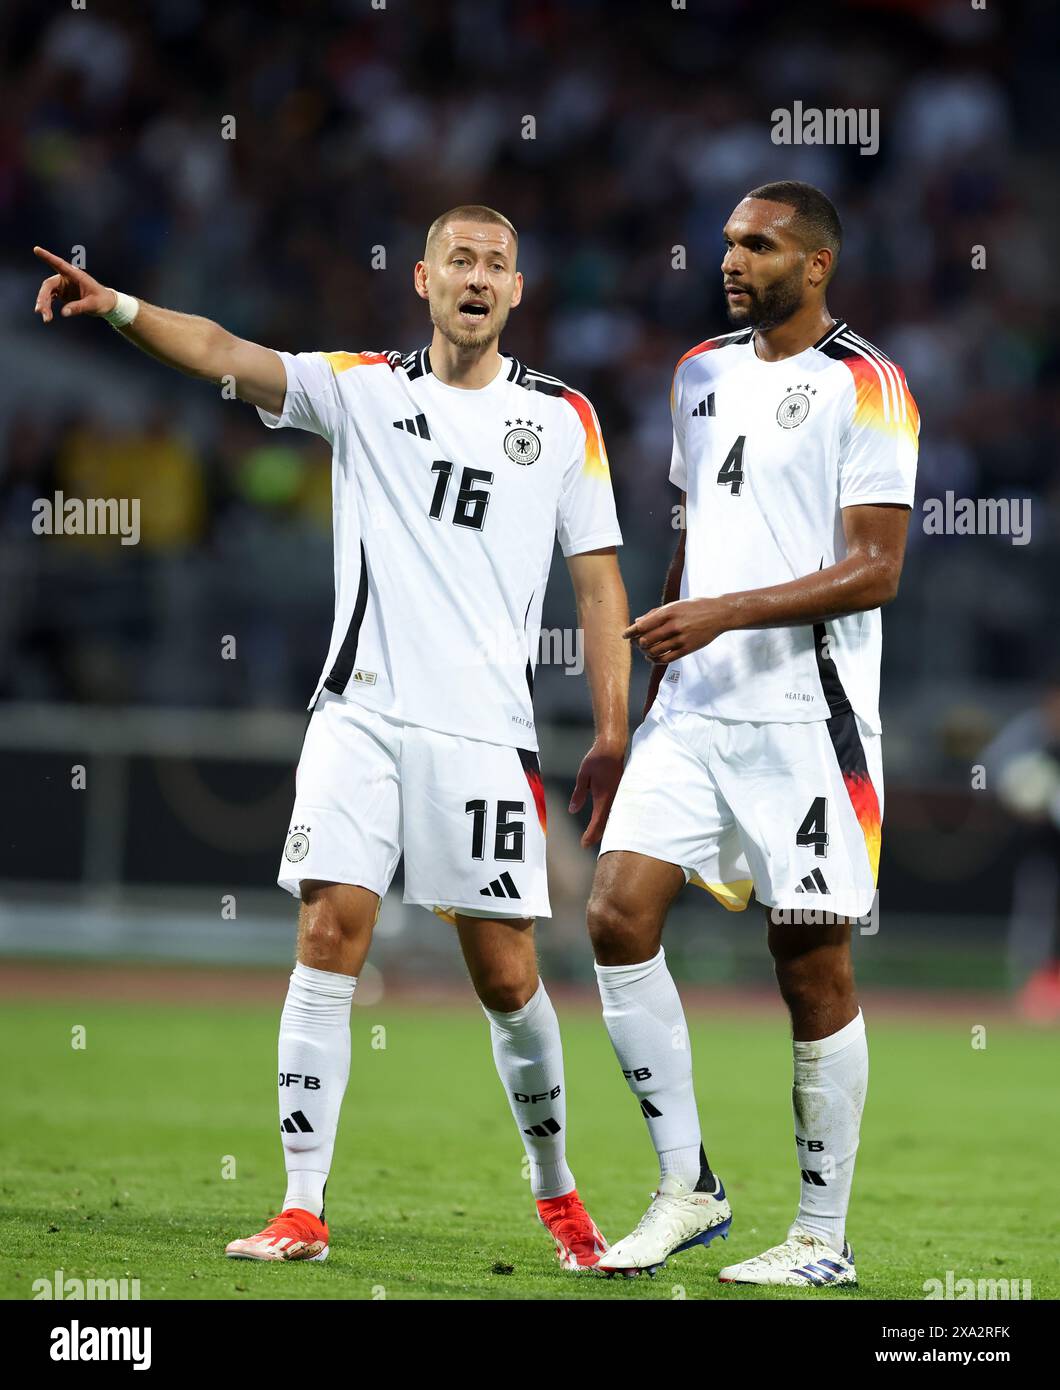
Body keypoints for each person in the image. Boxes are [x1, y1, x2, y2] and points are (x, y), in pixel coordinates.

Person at [32, 204, 630, 1270]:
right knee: (328, 936)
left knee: (505, 974)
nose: (478, 276)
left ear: (519, 290)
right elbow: (223, 352)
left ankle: (560, 1196)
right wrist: (116, 304)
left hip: (484, 736)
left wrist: (615, 728)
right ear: (423, 279)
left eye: (497, 262)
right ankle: (302, 1208)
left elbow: (596, 587)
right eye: (460, 259)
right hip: (358, 715)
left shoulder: (564, 420)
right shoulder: (362, 388)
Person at [587, 181, 919, 1285]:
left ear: (814, 263)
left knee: (809, 959)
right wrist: (637, 710)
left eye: (759, 245)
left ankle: (821, 1238)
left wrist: (721, 612)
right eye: (729, 241)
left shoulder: (867, 386)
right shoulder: (697, 374)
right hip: (691, 711)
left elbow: (876, 569)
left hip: (805, 723)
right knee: (615, 914)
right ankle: (688, 1186)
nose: (732, 259)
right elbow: (697, 547)